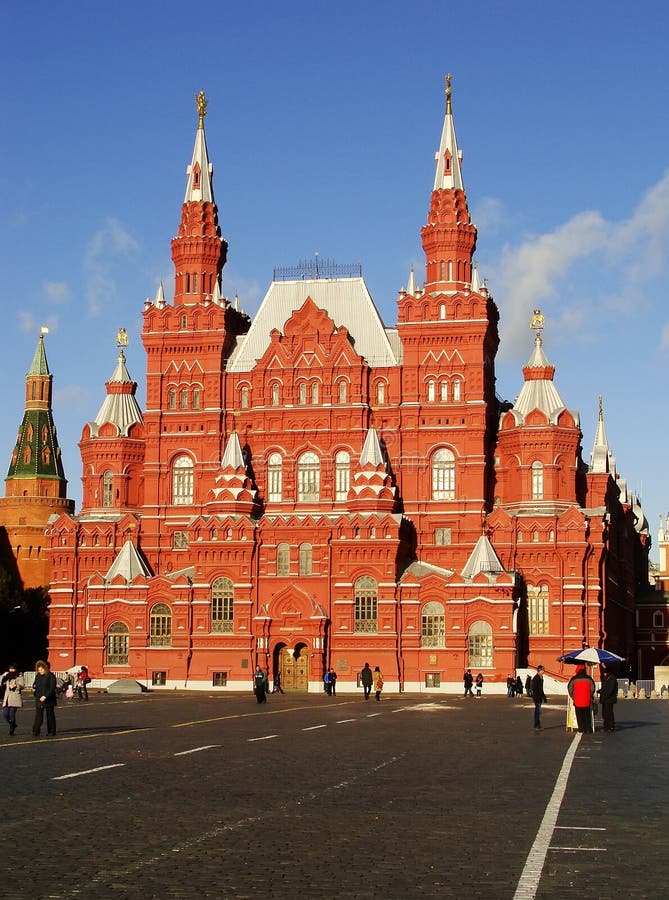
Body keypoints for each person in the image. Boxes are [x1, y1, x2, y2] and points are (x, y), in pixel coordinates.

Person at [567, 664, 596, 733]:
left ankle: (581, 728)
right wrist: (590, 695)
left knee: (579, 715)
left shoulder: (574, 679)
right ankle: (588, 728)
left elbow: (570, 688)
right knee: (587, 715)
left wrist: (573, 696)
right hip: (586, 700)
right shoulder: (589, 678)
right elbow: (592, 688)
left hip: (577, 700)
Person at [32, 660, 57, 737]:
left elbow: (52, 688)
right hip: (39, 698)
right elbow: (35, 685)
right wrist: (34, 690)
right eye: (39, 670)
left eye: (41, 669)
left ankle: (51, 731)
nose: (40, 671)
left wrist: (46, 696)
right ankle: (36, 730)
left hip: (49, 699)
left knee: (50, 715)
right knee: (38, 715)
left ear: (45, 668)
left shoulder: (51, 676)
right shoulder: (38, 676)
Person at [1, 663, 25, 735]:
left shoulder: (19, 676)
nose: (11, 670)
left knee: (12, 714)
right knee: (5, 714)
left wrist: (16, 686)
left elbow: (22, 685)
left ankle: (12, 728)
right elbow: (2, 682)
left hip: (15, 697)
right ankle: (13, 724)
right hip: (7, 697)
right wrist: (3, 677)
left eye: (13, 668)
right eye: (10, 668)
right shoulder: (7, 676)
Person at [598, 666, 618, 732]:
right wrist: (600, 691)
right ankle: (606, 726)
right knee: (605, 714)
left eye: (605, 673)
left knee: (608, 713)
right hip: (606, 699)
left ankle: (610, 726)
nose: (604, 674)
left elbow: (610, 689)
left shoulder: (611, 678)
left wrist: (604, 695)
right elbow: (605, 688)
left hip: (609, 699)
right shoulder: (607, 678)